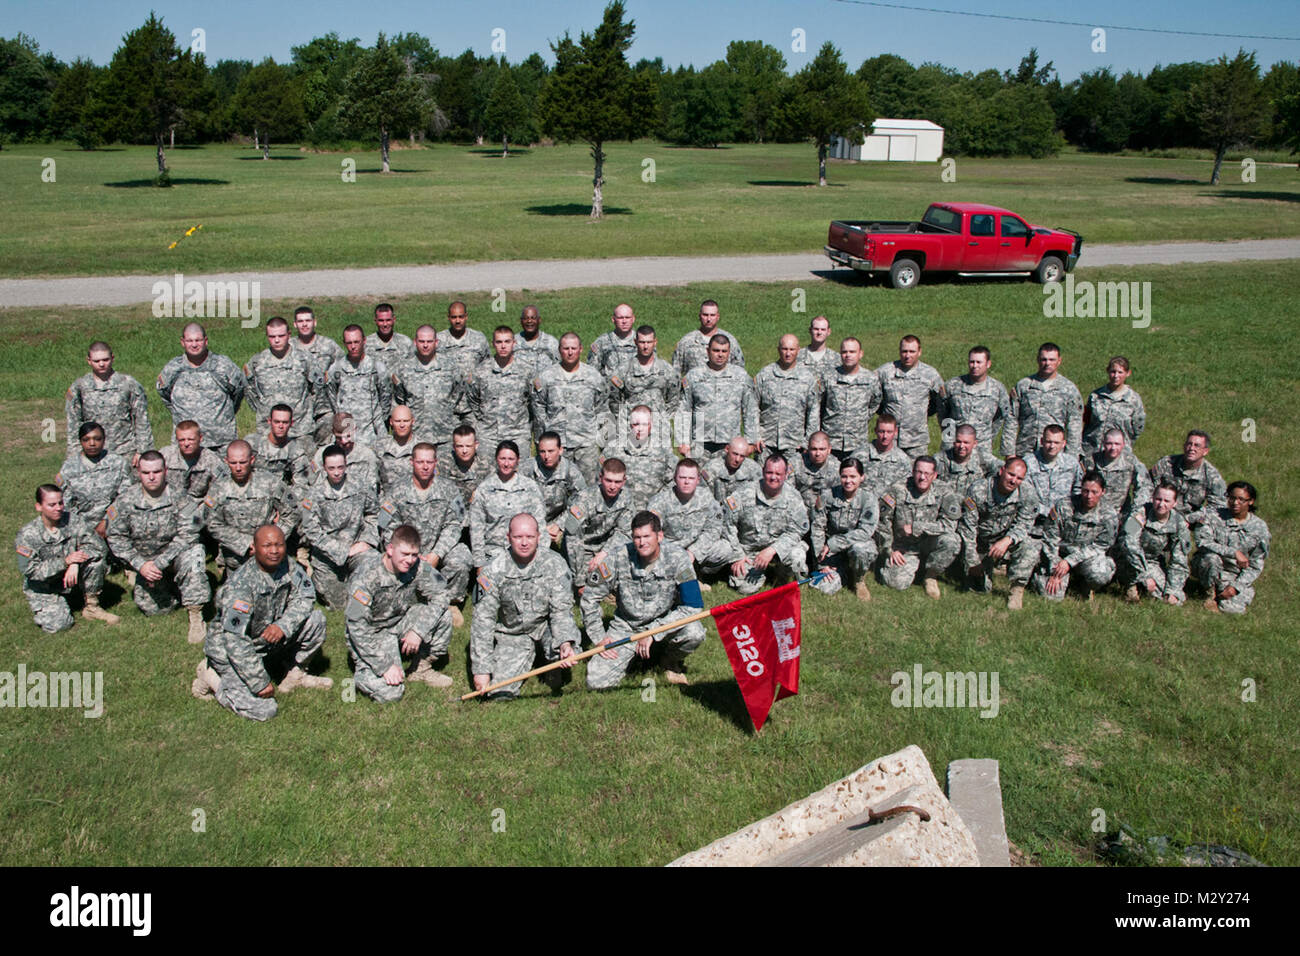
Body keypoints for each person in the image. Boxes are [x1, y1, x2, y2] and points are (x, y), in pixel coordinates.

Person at [192, 525, 331, 720]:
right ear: (254, 548)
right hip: (232, 652)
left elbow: (307, 596)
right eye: (267, 545)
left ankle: (294, 674)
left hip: (267, 640)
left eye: (279, 545)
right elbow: (234, 639)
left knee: (316, 620)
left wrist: (283, 625)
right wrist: (259, 681)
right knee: (264, 710)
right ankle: (211, 677)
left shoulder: (288, 566)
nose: (274, 551)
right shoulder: (240, 586)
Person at [582, 511, 705, 689]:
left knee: (695, 632)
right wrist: (599, 637)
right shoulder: (618, 556)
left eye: (647, 536)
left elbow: (693, 606)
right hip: (627, 627)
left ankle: (669, 661)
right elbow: (589, 597)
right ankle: (633, 658)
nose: (642, 542)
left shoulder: (678, 558)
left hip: (663, 623)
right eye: (637, 537)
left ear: (659, 536)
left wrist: (654, 632)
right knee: (596, 683)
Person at [471, 514, 580, 699]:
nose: (524, 542)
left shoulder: (556, 564)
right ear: (508, 538)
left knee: (563, 651)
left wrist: (565, 642)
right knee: (499, 693)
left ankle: (552, 664)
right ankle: (525, 657)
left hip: (546, 627)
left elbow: (561, 611)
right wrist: (481, 670)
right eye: (518, 537)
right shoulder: (494, 569)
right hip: (513, 633)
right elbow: (483, 621)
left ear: (539, 537)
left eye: (529, 537)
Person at [105, 451, 209, 640]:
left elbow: (190, 533)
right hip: (145, 563)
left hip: (174, 557)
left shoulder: (181, 497)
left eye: (157, 471)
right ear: (138, 472)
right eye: (146, 473)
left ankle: (196, 615)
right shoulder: (125, 500)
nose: (152, 477)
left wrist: (160, 562)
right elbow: (116, 538)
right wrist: (140, 565)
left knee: (196, 554)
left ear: (165, 471)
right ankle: (172, 586)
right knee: (156, 610)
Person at [345, 524, 455, 701]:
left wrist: (418, 630)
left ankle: (421, 669)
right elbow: (357, 627)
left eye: (413, 555)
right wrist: (385, 666)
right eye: (404, 554)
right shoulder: (366, 576)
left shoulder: (418, 566)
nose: (410, 560)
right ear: (390, 549)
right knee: (392, 693)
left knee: (444, 616)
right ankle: (361, 675)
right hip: (372, 634)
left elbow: (442, 592)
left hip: (398, 622)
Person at [377, 442, 473, 623]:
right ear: (411, 462)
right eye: (420, 462)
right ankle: (411, 598)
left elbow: (455, 524)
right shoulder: (396, 490)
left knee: (462, 558)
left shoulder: (449, 489)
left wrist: (437, 553)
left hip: (437, 551)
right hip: (408, 553)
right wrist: (411, 554)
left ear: (436, 462)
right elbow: (386, 524)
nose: (425, 466)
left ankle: (449, 600)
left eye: (429, 462)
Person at [16, 484, 115, 631]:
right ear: (39, 507)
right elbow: (31, 571)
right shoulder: (27, 535)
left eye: (60, 503)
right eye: (52, 505)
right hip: (45, 586)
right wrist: (65, 562)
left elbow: (99, 547)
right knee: (60, 625)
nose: (59, 508)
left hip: (71, 577)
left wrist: (74, 563)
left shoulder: (73, 521)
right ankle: (52, 605)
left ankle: (92, 608)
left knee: (96, 560)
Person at [297, 444, 379, 609]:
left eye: (340, 467)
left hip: (357, 547)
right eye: (331, 468)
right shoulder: (314, 494)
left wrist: (367, 540)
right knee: (339, 603)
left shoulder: (361, 486)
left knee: (374, 566)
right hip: (327, 555)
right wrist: (342, 550)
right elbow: (311, 530)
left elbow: (374, 513)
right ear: (324, 468)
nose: (336, 472)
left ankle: (360, 588)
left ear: (346, 465)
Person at [203, 439, 297, 574]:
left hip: (271, 557)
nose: (238, 468)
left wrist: (271, 542)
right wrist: (245, 543)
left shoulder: (269, 482)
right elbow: (212, 523)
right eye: (233, 463)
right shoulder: (218, 489)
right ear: (226, 461)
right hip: (237, 558)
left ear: (252, 460)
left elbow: (293, 511)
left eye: (243, 462)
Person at [958, 457, 1039, 610]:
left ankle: (1016, 590)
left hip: (1005, 540)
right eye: (1011, 475)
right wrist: (972, 560)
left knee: (1030, 546)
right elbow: (968, 528)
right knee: (981, 589)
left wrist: (1007, 540)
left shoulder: (1027, 493)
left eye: (1019, 478)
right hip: (980, 541)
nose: (1014, 480)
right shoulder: (978, 490)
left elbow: (1024, 524)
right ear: (1001, 471)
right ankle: (985, 567)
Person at [529, 332, 610, 483]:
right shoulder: (546, 377)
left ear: (581, 349)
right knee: (555, 486)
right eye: (566, 348)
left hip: (586, 445)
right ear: (559, 350)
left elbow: (602, 409)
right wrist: (542, 440)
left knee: (588, 486)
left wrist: (602, 442)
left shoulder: (594, 377)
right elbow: (539, 410)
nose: (570, 352)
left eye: (574, 348)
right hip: (558, 446)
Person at [878, 456, 961, 598]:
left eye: (927, 474)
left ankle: (930, 576)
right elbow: (882, 522)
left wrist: (918, 527)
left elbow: (950, 524)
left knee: (952, 541)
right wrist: (889, 549)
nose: (922, 477)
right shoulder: (898, 489)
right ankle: (914, 569)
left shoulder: (944, 491)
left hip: (930, 543)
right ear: (913, 472)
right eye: (918, 472)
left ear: (934, 475)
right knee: (895, 583)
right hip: (905, 547)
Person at [156, 322, 246, 451]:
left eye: (198, 340)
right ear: (182, 342)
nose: (194, 344)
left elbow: (238, 391)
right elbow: (164, 394)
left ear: (206, 341)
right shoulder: (173, 368)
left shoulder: (223, 365)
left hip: (220, 442)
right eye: (190, 340)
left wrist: (225, 415)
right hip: (186, 444)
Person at [728, 454, 810, 595]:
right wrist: (738, 556)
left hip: (778, 550)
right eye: (769, 472)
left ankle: (782, 576)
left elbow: (797, 531)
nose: (773, 477)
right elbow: (727, 525)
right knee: (743, 587)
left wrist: (772, 550)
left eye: (778, 473)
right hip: (750, 552)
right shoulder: (744, 493)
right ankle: (759, 574)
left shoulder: (793, 497)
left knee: (798, 555)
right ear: (763, 471)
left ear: (785, 475)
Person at [1032, 471, 1118, 602]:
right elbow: (1050, 538)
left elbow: (1101, 546)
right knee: (1051, 596)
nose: (1089, 496)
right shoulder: (1064, 506)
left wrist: (1070, 562)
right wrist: (1055, 569)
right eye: (1085, 491)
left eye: (1094, 492)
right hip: (1059, 556)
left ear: (1103, 492)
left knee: (1100, 573)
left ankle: (1085, 584)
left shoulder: (1109, 515)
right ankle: (1042, 576)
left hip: (1086, 557)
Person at [648, 458, 737, 584]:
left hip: (694, 547)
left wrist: (694, 551)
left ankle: (698, 571)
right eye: (682, 477)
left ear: (698, 480)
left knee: (725, 549)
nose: (686, 482)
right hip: (670, 548)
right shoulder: (661, 501)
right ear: (675, 478)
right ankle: (681, 578)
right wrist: (676, 554)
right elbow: (652, 532)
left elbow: (713, 529)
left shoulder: (706, 498)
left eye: (691, 478)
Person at [65, 341, 152, 467]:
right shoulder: (79, 387)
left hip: (125, 451)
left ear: (112, 358)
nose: (101, 364)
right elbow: (73, 423)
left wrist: (143, 451)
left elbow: (141, 419)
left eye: (105, 359)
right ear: (88, 360)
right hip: (92, 452)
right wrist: (74, 454)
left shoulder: (129, 384)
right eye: (96, 361)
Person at [678, 335, 759, 465]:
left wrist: (750, 441)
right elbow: (683, 410)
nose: (720, 355)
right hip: (699, 443)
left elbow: (750, 410)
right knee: (698, 482)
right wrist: (682, 440)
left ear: (729, 352)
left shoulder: (741, 377)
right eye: (716, 350)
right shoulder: (694, 376)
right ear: (707, 350)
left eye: (724, 351)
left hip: (729, 444)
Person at [1191, 481, 1269, 614]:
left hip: (1234, 574)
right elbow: (1202, 542)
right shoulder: (1213, 516)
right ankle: (1209, 593)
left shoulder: (1260, 528)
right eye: (1232, 498)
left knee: (1233, 610)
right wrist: (1234, 552)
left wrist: (1235, 587)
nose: (1235, 503)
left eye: (1241, 499)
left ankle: (1225, 593)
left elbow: (1256, 564)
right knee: (1211, 558)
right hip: (1209, 565)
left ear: (1250, 501)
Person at [469, 441, 548, 571]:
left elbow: (540, 525)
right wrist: (479, 564)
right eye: (502, 458)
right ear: (496, 459)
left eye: (511, 459)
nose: (506, 463)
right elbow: (477, 530)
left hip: (525, 553)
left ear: (518, 460)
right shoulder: (484, 489)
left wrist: (542, 556)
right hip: (494, 553)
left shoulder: (530, 488)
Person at [390, 324, 464, 454]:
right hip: (415, 437)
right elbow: (400, 401)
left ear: (436, 342)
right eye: (422, 341)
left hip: (445, 437)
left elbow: (459, 397)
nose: (425, 345)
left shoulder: (451, 367)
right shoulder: (403, 369)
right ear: (415, 342)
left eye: (429, 341)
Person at [812, 457, 878, 602]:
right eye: (844, 476)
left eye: (853, 476)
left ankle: (859, 579)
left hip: (854, 547)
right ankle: (844, 572)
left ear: (862, 477)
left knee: (860, 549)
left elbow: (865, 531)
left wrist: (833, 543)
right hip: (830, 553)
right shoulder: (827, 496)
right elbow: (817, 527)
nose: (848, 481)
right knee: (823, 587)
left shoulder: (869, 499)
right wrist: (822, 563)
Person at [55, 422, 131, 546]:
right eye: (86, 439)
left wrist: (107, 520)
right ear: (80, 441)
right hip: (81, 526)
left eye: (97, 439)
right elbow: (66, 504)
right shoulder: (69, 467)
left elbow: (125, 498)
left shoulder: (118, 463)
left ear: (104, 440)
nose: (92, 444)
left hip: (113, 522)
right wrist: (81, 530)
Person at [243, 315, 319, 440]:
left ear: (289, 334)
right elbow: (249, 391)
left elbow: (317, 390)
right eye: (272, 337)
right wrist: (263, 410)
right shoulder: (257, 362)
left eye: (281, 336)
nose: (277, 340)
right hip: (267, 432)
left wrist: (307, 413)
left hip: (300, 430)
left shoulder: (305, 360)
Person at [1005, 342, 1083, 458]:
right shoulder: (1024, 386)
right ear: (1038, 360)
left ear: (1059, 361)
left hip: (1055, 454)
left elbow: (1074, 424)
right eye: (1044, 359)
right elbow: (1011, 419)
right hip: (1025, 451)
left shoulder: (1069, 389)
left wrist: (1071, 456)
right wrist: (1009, 452)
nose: (1047, 363)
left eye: (1052, 360)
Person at [1119, 481, 1191, 606]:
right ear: (1152, 498)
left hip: (1152, 562)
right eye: (1158, 499)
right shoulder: (1139, 514)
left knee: (1169, 599)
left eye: (1167, 501)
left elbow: (1179, 560)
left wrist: (1173, 590)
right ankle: (1130, 586)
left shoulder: (1179, 522)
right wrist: (1144, 575)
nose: (1161, 504)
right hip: (1127, 559)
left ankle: (1142, 586)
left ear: (1174, 503)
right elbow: (1128, 544)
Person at [875, 335, 946, 459]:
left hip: (917, 441)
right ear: (899, 351)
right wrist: (883, 412)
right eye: (904, 351)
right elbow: (872, 396)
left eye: (912, 351)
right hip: (890, 440)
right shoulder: (885, 372)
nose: (907, 355)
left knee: (918, 474)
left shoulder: (930, 374)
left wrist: (925, 412)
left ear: (919, 352)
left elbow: (941, 401)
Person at [564, 458, 633, 582]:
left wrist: (604, 554)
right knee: (589, 583)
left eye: (617, 482)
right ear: (600, 477)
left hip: (607, 546)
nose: (612, 486)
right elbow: (572, 537)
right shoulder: (584, 500)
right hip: (583, 548)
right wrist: (579, 580)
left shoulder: (626, 498)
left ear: (624, 481)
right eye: (608, 480)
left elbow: (625, 532)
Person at [607, 324, 679, 443]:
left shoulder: (667, 370)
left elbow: (674, 399)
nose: (645, 346)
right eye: (642, 342)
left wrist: (662, 417)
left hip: (659, 431)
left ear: (655, 342)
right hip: (630, 429)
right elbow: (613, 399)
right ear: (635, 342)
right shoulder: (623, 370)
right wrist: (625, 418)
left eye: (649, 342)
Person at [468, 326, 533, 453]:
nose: (503, 346)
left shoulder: (527, 371)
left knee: (520, 472)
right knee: (486, 472)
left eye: (507, 342)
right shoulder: (480, 371)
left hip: (517, 436)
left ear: (514, 343)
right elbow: (472, 399)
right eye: (499, 342)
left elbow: (533, 402)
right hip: (488, 436)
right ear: (493, 344)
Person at [755, 334, 821, 457]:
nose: (788, 353)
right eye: (784, 349)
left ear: (798, 350)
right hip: (766, 443)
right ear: (778, 349)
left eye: (792, 349)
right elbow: (753, 407)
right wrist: (755, 436)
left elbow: (813, 412)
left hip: (795, 445)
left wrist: (808, 441)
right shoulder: (765, 375)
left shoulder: (807, 378)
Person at [325, 324, 392, 445]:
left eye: (356, 342)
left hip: (372, 434)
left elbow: (386, 398)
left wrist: (378, 422)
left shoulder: (376, 367)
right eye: (349, 343)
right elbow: (331, 397)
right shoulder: (337, 369)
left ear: (364, 341)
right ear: (344, 343)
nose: (353, 347)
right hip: (345, 433)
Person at [602, 406, 675, 511]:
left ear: (651, 425)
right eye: (636, 424)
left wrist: (659, 505)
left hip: (651, 512)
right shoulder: (613, 449)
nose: (640, 429)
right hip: (618, 511)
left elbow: (673, 483)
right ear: (630, 425)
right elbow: (600, 481)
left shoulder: (664, 451)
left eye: (645, 424)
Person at [940, 345, 1011, 455]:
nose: (974, 366)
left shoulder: (997, 389)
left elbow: (1001, 416)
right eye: (972, 362)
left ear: (988, 364)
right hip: (955, 446)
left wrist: (988, 436)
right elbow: (943, 413)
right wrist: (949, 438)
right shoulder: (953, 385)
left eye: (979, 362)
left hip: (982, 447)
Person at [291, 306, 345, 447]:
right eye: (300, 321)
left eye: (308, 320)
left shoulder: (328, 346)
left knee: (326, 447)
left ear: (314, 322)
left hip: (324, 409)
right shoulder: (289, 347)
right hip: (298, 410)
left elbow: (343, 369)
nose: (304, 324)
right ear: (295, 324)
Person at [820, 337, 881, 460]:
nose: (848, 355)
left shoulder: (870, 379)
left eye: (852, 352)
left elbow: (875, 402)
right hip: (831, 441)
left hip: (857, 442)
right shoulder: (828, 377)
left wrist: (862, 417)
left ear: (860, 354)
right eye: (844, 352)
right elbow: (819, 404)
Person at [523, 431, 587, 544]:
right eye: (542, 452)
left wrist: (560, 525)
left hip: (557, 519)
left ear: (560, 450)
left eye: (551, 451)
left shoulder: (570, 470)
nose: (546, 456)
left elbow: (582, 498)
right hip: (530, 517)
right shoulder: (528, 468)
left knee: (577, 525)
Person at [1150, 430, 1227, 518]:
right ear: (1184, 446)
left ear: (1205, 451)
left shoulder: (1212, 476)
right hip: (1161, 512)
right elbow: (1149, 487)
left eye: (1197, 446)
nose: (1191, 448)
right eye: (1189, 444)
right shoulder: (1166, 463)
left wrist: (1191, 519)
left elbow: (1218, 505)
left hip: (1191, 520)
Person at [1082, 355, 1146, 456]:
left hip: (1118, 455)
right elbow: (1087, 422)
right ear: (1107, 371)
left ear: (1128, 373)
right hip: (1092, 453)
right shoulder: (1096, 396)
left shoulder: (1133, 400)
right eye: (1113, 371)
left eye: (1120, 372)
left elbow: (1137, 428)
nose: (1116, 376)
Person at [1083, 428, 1152, 517]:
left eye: (1117, 444)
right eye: (1109, 443)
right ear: (1103, 443)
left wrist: (1136, 509)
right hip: (1092, 513)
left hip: (1120, 513)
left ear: (1123, 445)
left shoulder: (1131, 462)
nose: (1113, 448)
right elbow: (1078, 484)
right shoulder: (1091, 460)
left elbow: (1145, 486)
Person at [309, 413, 381, 495]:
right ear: (333, 432)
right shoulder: (321, 455)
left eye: (348, 436)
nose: (344, 441)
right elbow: (314, 486)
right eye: (339, 437)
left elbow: (372, 488)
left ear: (355, 430)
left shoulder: (367, 456)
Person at [161, 420, 230, 503]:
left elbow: (222, 489)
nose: (186, 443)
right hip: (169, 505)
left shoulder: (211, 460)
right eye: (182, 440)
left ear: (200, 438)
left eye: (191, 439)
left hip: (199, 507)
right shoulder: (165, 456)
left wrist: (205, 508)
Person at [672, 299, 745, 376]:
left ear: (718, 317)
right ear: (700, 316)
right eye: (705, 315)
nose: (709, 319)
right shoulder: (686, 341)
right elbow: (676, 372)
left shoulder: (730, 340)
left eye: (712, 315)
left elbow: (739, 370)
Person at [246, 404, 312, 490]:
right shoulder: (252, 443)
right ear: (269, 421)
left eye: (285, 422)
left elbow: (302, 484)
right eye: (276, 422)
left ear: (291, 423)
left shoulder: (296, 450)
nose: (281, 426)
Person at [436, 300, 491, 397]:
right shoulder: (438, 340)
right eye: (454, 317)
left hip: (472, 400)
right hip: (446, 400)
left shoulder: (479, 339)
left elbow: (487, 366)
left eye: (461, 317)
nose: (457, 321)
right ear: (448, 318)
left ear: (466, 317)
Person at [852, 414, 912, 498]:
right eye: (881, 431)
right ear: (875, 431)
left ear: (896, 432)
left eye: (889, 432)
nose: (885, 436)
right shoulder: (859, 455)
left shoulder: (903, 460)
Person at [935, 424, 1001, 497]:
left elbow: (1006, 470)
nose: (961, 446)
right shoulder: (940, 460)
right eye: (958, 442)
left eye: (966, 442)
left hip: (974, 504)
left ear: (975, 444)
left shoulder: (983, 459)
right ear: (953, 442)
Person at [789, 431, 841, 514]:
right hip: (799, 510)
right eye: (814, 449)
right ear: (808, 449)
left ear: (829, 449)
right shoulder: (795, 463)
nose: (818, 453)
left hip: (826, 512)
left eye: (822, 449)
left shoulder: (837, 468)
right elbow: (787, 490)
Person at [443, 424, 492, 509]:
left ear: (476, 445)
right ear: (454, 447)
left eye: (468, 446)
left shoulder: (488, 464)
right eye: (460, 446)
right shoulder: (443, 463)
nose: (464, 451)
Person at [710, 436, 761, 516]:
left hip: (744, 514)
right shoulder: (712, 468)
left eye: (742, 456)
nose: (737, 459)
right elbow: (703, 496)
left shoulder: (754, 469)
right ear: (727, 449)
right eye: (735, 454)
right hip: (717, 514)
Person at [375, 405, 418, 493]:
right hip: (386, 502)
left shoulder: (422, 447)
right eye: (398, 421)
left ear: (412, 421)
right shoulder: (380, 446)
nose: (402, 425)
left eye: (406, 421)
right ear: (391, 422)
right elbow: (374, 479)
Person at [587, 302, 638, 373]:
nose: (624, 321)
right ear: (613, 319)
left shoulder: (643, 341)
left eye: (627, 317)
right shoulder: (602, 342)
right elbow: (591, 371)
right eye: (620, 318)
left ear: (633, 319)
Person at [366, 302, 412, 370]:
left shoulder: (406, 342)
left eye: (388, 320)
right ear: (375, 321)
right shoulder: (366, 344)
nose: (385, 324)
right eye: (381, 320)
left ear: (394, 320)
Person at [514, 305, 559, 375]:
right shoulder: (512, 342)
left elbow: (560, 367)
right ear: (521, 321)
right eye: (526, 318)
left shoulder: (551, 342)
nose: (529, 321)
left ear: (539, 320)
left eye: (533, 318)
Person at [796, 315, 836, 391]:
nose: (819, 332)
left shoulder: (837, 359)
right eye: (816, 329)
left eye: (823, 329)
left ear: (829, 332)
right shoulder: (797, 356)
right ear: (810, 330)